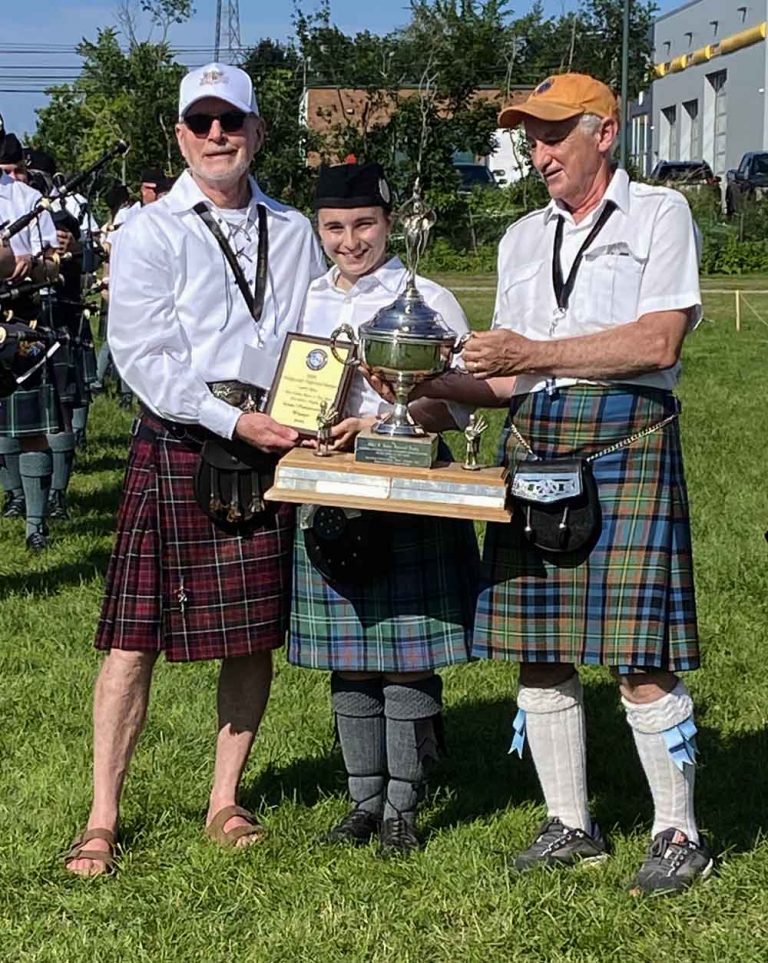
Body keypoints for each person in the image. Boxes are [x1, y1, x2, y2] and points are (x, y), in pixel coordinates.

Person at [417, 73, 710, 894]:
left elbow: (656, 341)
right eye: (532, 139)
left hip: (625, 439)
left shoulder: (659, 214)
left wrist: (532, 354)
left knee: (639, 653)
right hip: (536, 444)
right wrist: (423, 386)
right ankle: (569, 824)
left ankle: (678, 832)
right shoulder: (519, 239)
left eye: (553, 135)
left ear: (604, 133)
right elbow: (509, 380)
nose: (540, 153)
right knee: (537, 648)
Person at [64, 62, 325, 876]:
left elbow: (318, 334)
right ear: (180, 136)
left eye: (232, 120)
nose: (218, 135)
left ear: (258, 131)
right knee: (130, 641)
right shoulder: (150, 230)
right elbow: (141, 356)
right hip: (182, 441)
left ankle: (224, 799)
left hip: (272, 442)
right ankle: (102, 817)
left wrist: (313, 411)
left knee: (252, 633)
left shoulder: (294, 229)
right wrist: (231, 419)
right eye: (202, 122)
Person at [288, 162, 478, 854]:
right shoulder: (304, 298)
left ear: (389, 223)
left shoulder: (428, 297)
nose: (350, 241)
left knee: (404, 657)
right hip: (328, 492)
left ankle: (403, 806)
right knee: (351, 660)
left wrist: (381, 424)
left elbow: (459, 403)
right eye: (334, 227)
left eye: (364, 224)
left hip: (409, 490)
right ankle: (361, 801)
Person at [0, 123, 61, 550]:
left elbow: (56, 263)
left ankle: (35, 525)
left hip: (20, 320)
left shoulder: (24, 198)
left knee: (29, 429)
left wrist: (30, 263)